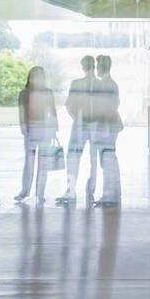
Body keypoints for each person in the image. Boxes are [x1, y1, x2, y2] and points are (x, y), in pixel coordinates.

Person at [15, 66, 60, 208]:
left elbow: (52, 112)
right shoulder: (24, 93)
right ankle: (25, 191)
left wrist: (53, 131)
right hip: (30, 132)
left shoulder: (47, 93)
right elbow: (21, 112)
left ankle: (39, 193)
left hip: (44, 131)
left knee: (42, 164)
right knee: (29, 163)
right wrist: (23, 127)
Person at [57, 55, 98, 205]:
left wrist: (77, 117)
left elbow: (68, 105)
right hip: (94, 125)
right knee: (93, 159)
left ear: (82, 66)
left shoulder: (76, 83)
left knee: (73, 157)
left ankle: (71, 190)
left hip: (80, 124)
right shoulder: (99, 84)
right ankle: (90, 189)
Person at [92, 55, 123, 207]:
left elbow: (106, 107)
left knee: (107, 159)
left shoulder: (106, 84)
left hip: (106, 126)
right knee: (108, 159)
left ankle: (109, 195)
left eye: (97, 65)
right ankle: (112, 193)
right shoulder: (110, 83)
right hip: (109, 125)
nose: (96, 68)